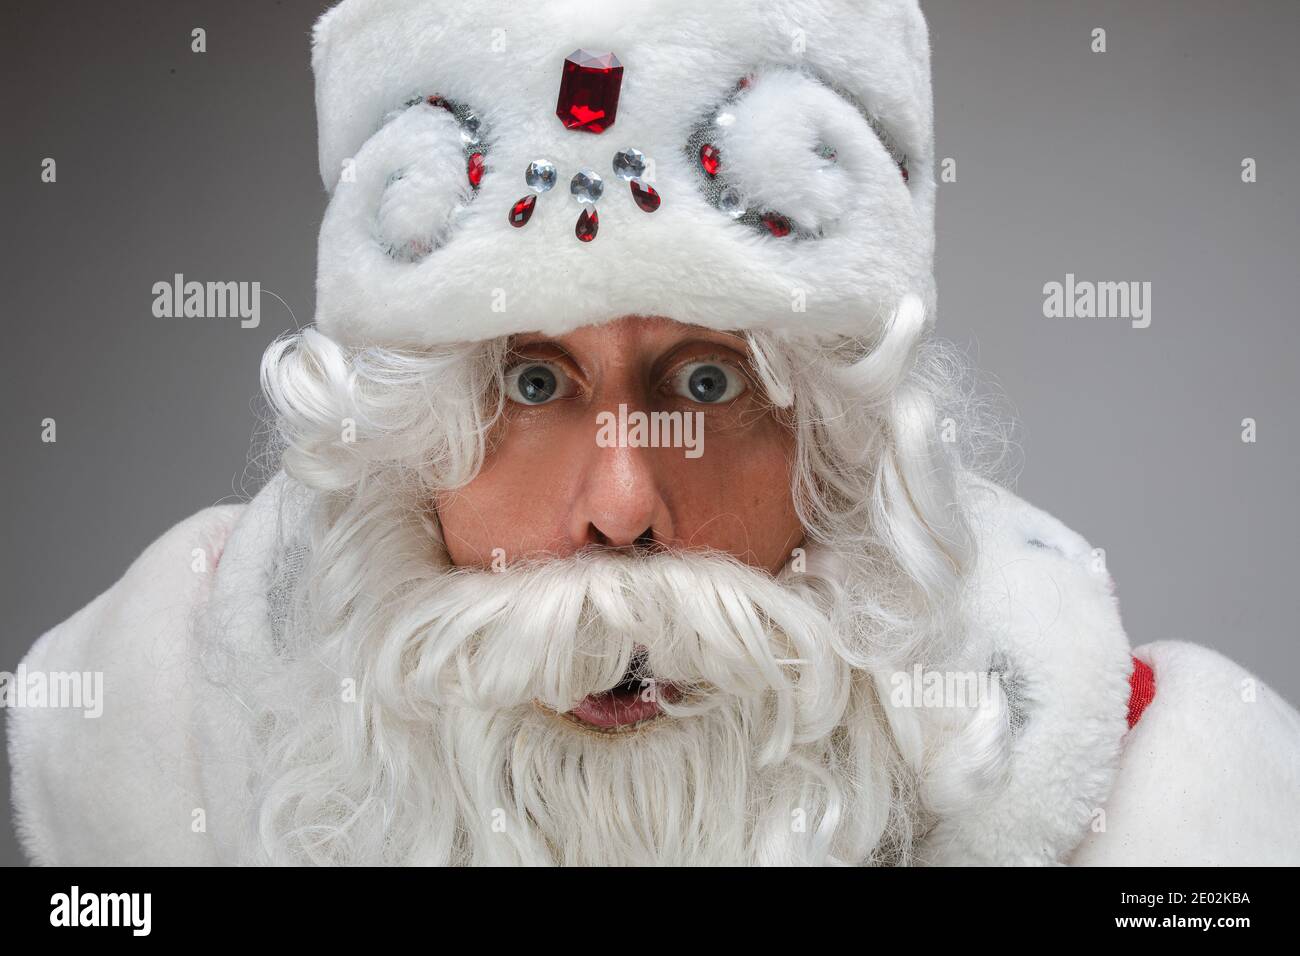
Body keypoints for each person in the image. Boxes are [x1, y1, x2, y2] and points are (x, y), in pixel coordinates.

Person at [8, 0, 1299, 866]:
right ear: (394, 440)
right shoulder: (147, 749)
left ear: (850, 456)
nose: (622, 510)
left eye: (705, 385)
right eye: (529, 384)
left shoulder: (1157, 821)